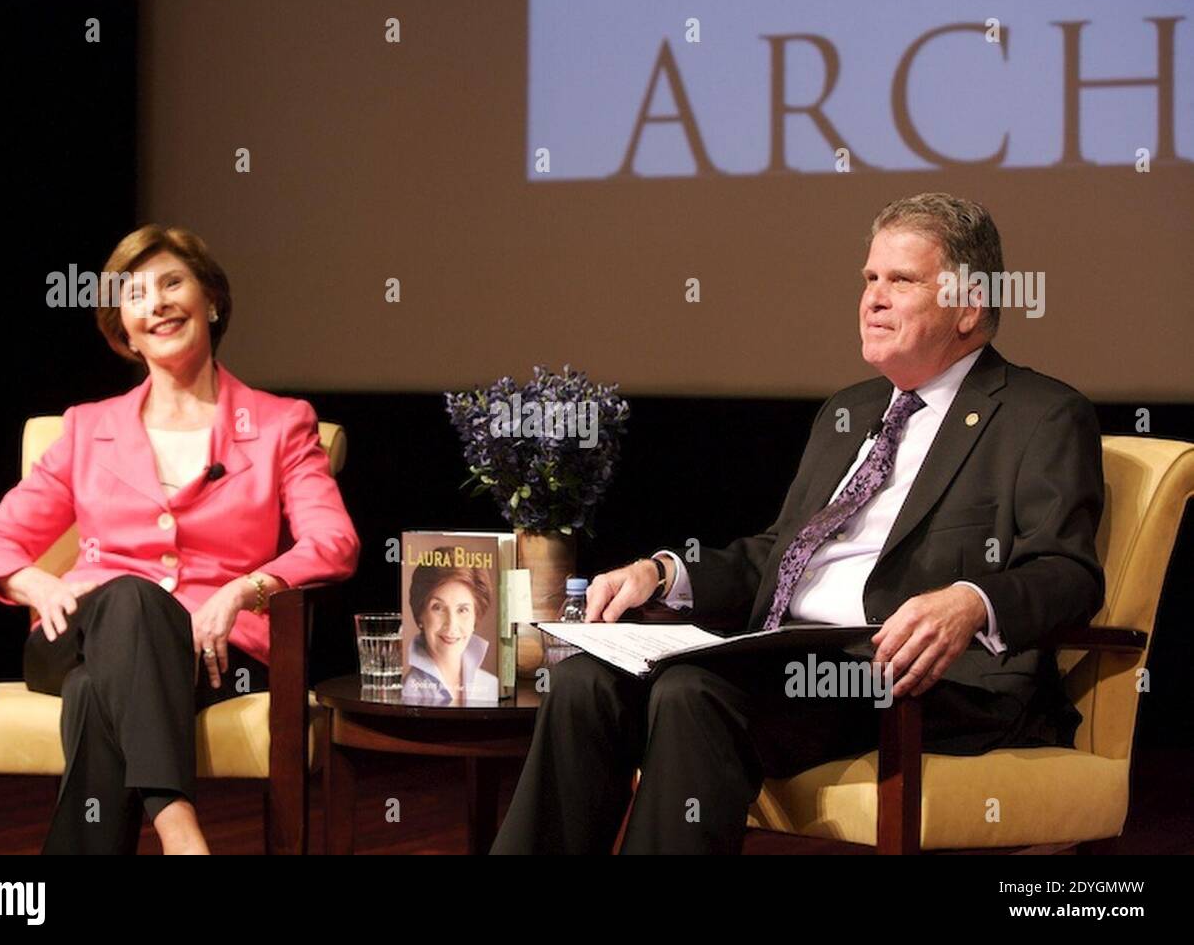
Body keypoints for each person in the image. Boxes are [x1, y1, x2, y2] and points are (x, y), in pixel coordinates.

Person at [491, 193, 1105, 854]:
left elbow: (1066, 572)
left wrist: (969, 602)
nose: (873, 298)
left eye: (901, 281)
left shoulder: (1039, 414)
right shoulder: (850, 410)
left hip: (915, 680)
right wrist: (662, 573)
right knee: (586, 681)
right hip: (779, 658)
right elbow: (774, 557)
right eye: (869, 279)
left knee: (694, 692)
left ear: (970, 306)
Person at [0, 225, 361, 854]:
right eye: (136, 294)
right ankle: (180, 830)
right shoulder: (88, 429)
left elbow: (334, 541)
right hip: (73, 637)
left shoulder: (280, 424)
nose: (158, 303)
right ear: (123, 327)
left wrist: (244, 590)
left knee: (96, 690)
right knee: (129, 598)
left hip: (214, 653)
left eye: (174, 283)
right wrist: (31, 578)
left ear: (212, 301)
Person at [402, 560, 499, 704]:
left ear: (475, 618)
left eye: (462, 610)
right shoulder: (407, 692)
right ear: (420, 615)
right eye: (438, 608)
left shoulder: (491, 686)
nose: (451, 625)